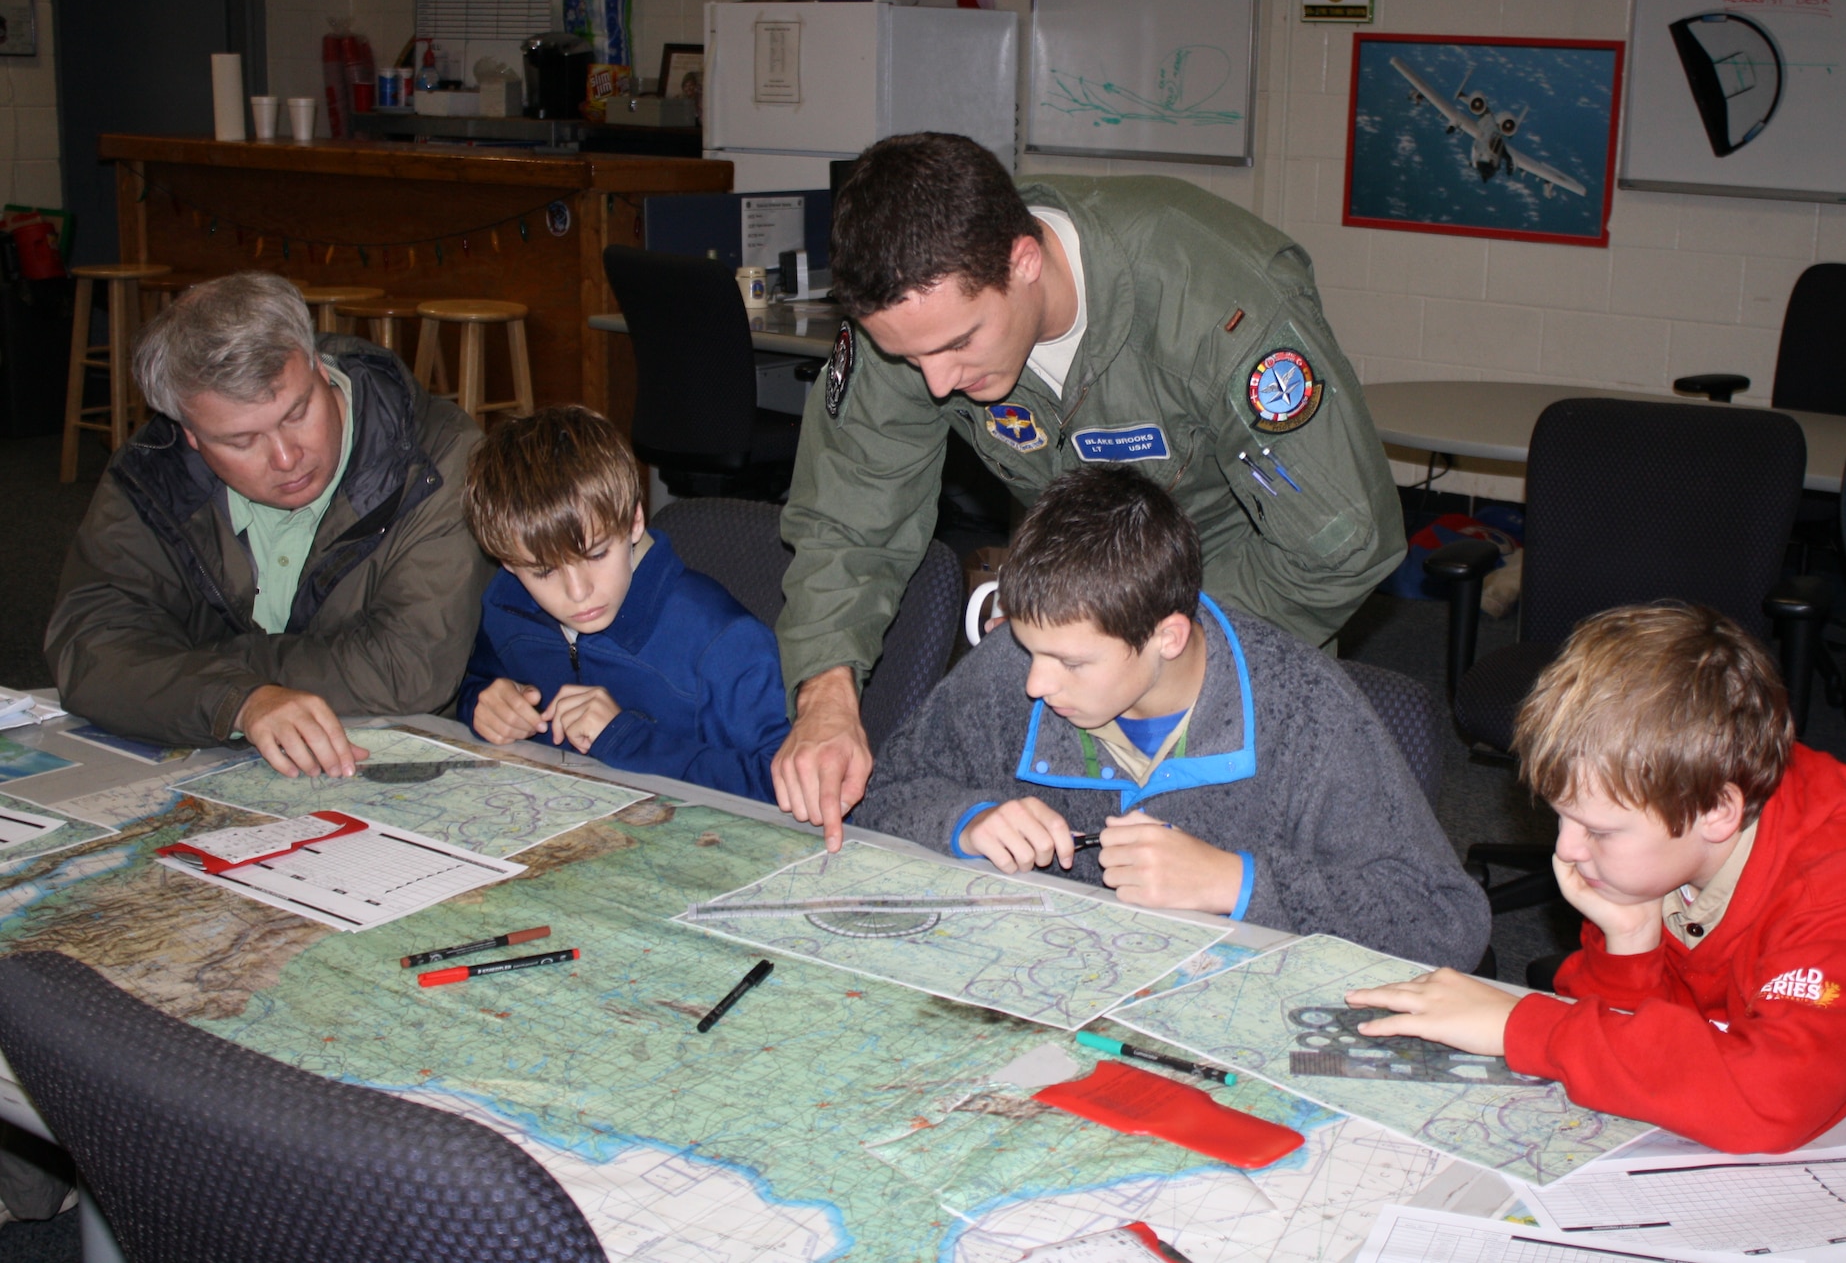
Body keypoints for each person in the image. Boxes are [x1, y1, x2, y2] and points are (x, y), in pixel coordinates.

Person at [774, 132, 1405, 847]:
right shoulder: (920, 312)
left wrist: (1154, 649)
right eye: (907, 356)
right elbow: (847, 519)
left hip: (1239, 604)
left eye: (957, 345)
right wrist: (825, 695)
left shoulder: (1213, 301)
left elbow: (1341, 541)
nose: (937, 382)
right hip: (1073, 623)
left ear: (1024, 261)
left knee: (1239, 874)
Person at [1347, 604, 1846, 1150]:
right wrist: (1631, 939)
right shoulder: (1671, 831)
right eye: (1561, 818)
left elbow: (1766, 1098)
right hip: (1765, 1135)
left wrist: (1524, 1025)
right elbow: (1643, 1039)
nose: (1567, 849)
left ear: (1719, 810)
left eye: (1598, 829)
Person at [852, 466, 1489, 969]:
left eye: (1071, 663)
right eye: (1027, 648)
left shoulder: (1304, 714)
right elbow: (882, 796)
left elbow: (1443, 922)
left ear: (1169, 637)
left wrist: (1234, 882)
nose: (1035, 683)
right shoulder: (1014, 664)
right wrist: (967, 822)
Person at [45, 272, 489, 778]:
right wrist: (240, 700)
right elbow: (91, 646)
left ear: (320, 368)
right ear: (189, 433)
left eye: (298, 412)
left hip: (398, 766)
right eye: (241, 441)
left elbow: (406, 667)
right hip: (219, 770)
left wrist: (194, 673)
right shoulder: (154, 475)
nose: (286, 457)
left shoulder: (435, 459)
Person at [457, 407, 788, 802]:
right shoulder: (506, 605)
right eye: (544, 572)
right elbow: (479, 685)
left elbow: (781, 786)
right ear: (508, 563)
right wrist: (481, 705)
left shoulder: (724, 642)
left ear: (634, 521)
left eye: (596, 554)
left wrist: (628, 739)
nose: (579, 593)